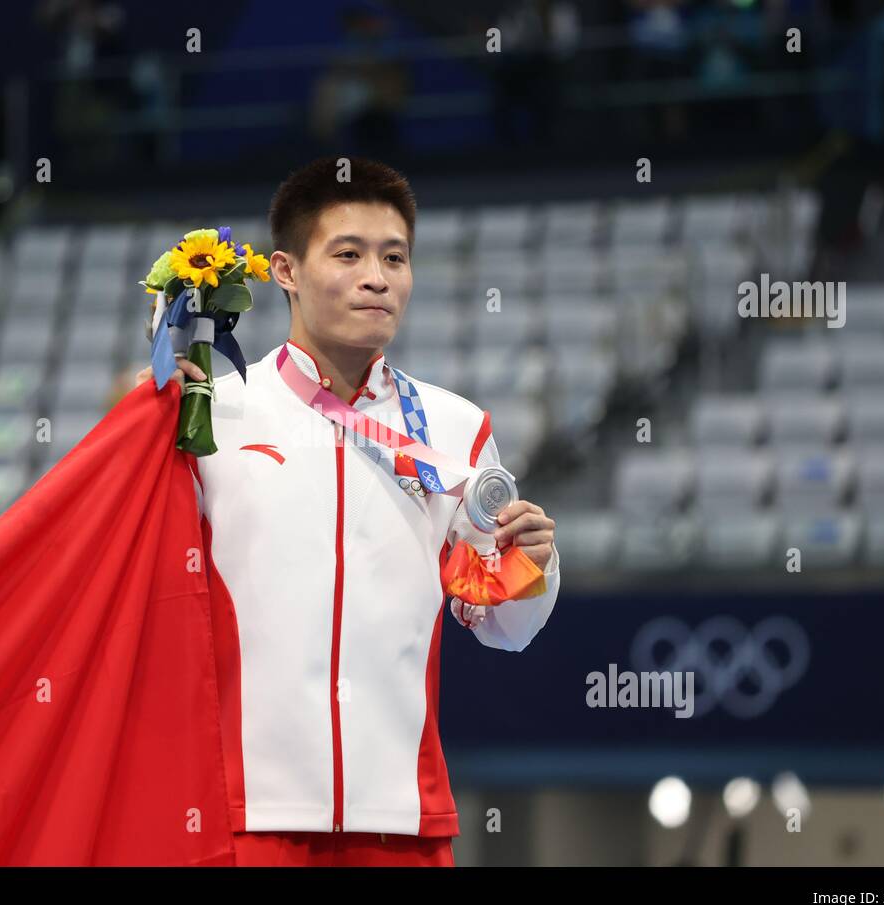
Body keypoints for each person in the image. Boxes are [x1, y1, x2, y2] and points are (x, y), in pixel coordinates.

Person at [127, 157, 560, 866]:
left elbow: (503, 629)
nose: (377, 277)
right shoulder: (211, 416)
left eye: (395, 257)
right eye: (349, 254)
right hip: (249, 812)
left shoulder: (455, 429)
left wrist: (532, 568)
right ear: (286, 272)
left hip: (403, 818)